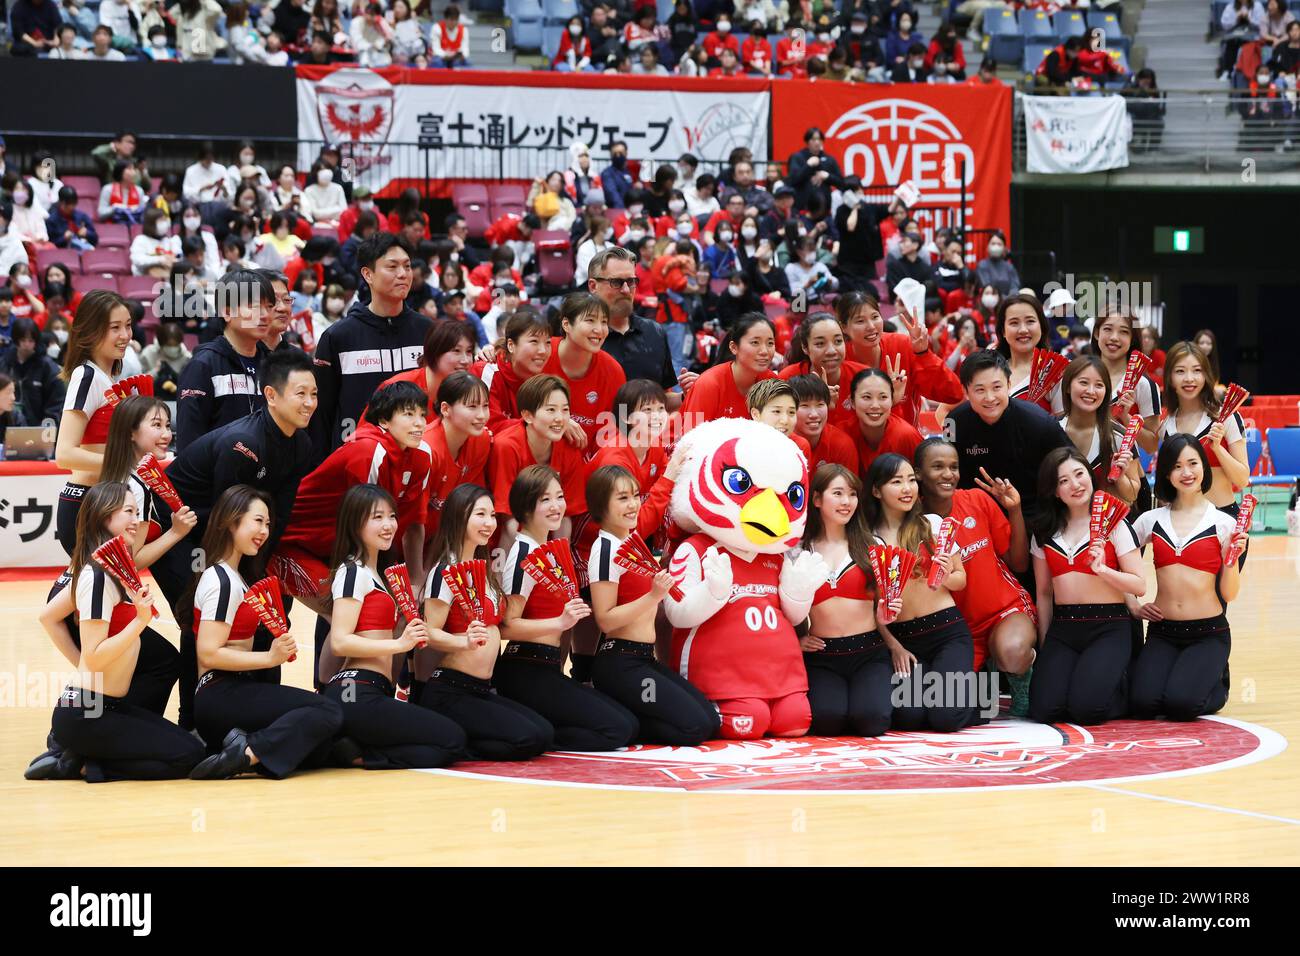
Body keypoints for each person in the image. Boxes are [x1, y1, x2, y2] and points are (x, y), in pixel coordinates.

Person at [159, 350, 319, 727]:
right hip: (182, 529)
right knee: (196, 619)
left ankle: (258, 711)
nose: (310, 403)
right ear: (271, 395)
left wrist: (263, 577)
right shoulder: (243, 444)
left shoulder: (301, 443)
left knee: (269, 606)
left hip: (227, 523)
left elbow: (277, 515)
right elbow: (222, 519)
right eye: (301, 393)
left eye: (314, 393)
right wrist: (246, 576)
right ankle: (193, 722)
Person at [27, 483, 204, 782]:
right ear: (103, 517)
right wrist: (139, 621)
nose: (137, 520)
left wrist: (85, 669)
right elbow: (93, 658)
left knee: (192, 748)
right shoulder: (97, 577)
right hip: (88, 712)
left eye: (137, 511)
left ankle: (78, 755)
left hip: (108, 706)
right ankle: (81, 765)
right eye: (129, 512)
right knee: (187, 757)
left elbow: (49, 616)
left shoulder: (107, 566)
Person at [273, 380, 432, 681]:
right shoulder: (368, 451)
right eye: (408, 414)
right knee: (346, 617)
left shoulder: (422, 455)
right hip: (291, 545)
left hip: (338, 548)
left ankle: (385, 694)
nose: (419, 423)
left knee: (395, 615)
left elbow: (411, 524)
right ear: (384, 420)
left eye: (422, 415)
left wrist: (415, 578)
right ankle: (329, 697)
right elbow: (360, 525)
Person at [187, 486, 344, 779]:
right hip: (220, 694)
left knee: (321, 744)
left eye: (268, 524)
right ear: (231, 521)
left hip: (233, 692)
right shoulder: (221, 580)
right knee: (328, 711)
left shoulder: (236, 577)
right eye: (258, 521)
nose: (264, 531)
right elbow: (208, 653)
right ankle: (246, 754)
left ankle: (246, 750)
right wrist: (270, 658)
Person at [495, 465, 638, 750]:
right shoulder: (523, 553)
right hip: (525, 670)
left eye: (559, 497)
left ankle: (542, 724)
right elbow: (506, 626)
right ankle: (539, 733)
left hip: (547, 668)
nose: (555, 506)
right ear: (525, 506)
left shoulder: (550, 550)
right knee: (616, 729)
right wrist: (559, 623)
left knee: (630, 723)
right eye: (544, 499)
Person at [322, 484, 465, 769]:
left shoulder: (375, 573)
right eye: (377, 517)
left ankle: (354, 748)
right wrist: (399, 644)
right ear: (354, 522)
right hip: (356, 689)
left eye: (391, 516)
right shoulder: (353, 572)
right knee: (451, 740)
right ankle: (351, 755)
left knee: (448, 740)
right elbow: (339, 641)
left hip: (372, 690)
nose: (388, 525)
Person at [585, 465, 720, 745]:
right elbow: (605, 620)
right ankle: (625, 718)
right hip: (621, 663)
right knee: (694, 727)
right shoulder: (606, 549)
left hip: (644, 659)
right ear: (601, 504)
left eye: (635, 495)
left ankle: (627, 714)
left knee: (709, 718)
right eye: (622, 498)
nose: (633, 504)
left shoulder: (633, 542)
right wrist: (653, 596)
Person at [417, 484, 553, 759]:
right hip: (452, 690)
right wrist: (462, 642)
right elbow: (428, 633)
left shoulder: (484, 569)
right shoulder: (445, 570)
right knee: (527, 739)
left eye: (492, 515)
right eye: (480, 514)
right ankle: (454, 741)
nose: (489, 523)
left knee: (545, 732)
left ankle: (459, 736)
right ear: (459, 517)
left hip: (482, 688)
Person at [1129, 435, 1246, 720]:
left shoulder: (1223, 523)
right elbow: (1118, 561)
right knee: (1143, 705)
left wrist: (1231, 560)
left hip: (1208, 634)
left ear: (1204, 468)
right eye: (1177, 465)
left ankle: (1217, 683)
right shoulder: (1149, 520)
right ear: (1167, 472)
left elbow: (1229, 595)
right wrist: (1132, 603)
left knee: (1181, 706)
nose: (1187, 472)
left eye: (1193, 463)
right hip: (1162, 632)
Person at [1028, 447, 1147, 726]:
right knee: (1044, 710)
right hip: (1065, 627)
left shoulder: (1115, 524)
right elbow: (1044, 593)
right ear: (1055, 491)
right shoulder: (1045, 530)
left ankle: (1123, 680)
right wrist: (1045, 643)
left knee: (1086, 710)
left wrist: (1104, 570)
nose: (1075, 484)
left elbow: (1139, 585)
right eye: (1063, 480)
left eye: (1079, 474)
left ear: (1090, 476)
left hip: (1108, 625)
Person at [862, 453, 974, 731]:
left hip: (947, 631)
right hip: (904, 640)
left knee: (944, 718)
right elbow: (870, 605)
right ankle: (948, 695)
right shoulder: (865, 539)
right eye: (897, 481)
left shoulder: (931, 524)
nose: (907, 488)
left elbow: (961, 580)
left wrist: (947, 574)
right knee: (908, 717)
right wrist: (894, 646)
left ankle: (979, 700)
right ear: (876, 490)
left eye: (911, 480)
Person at [310, 233, 432, 463]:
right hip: (356, 460)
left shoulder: (428, 332)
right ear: (368, 274)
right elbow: (322, 413)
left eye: (407, 266)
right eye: (392, 266)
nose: (403, 274)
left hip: (417, 459)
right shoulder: (338, 336)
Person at [798, 464, 896, 736]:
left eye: (852, 494)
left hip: (869, 653)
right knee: (826, 721)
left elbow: (887, 604)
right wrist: (797, 639)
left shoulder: (873, 545)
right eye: (838, 493)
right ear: (817, 499)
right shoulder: (798, 550)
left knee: (871, 721)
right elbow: (784, 604)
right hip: (822, 655)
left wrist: (888, 614)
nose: (846, 502)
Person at [944, 349, 1073, 527]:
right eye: (979, 390)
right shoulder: (953, 421)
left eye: (997, 387)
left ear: (1009, 384)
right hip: (975, 516)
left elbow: (1071, 461)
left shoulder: (1039, 421)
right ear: (966, 391)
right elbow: (945, 465)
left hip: (1034, 513)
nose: (989, 398)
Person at [53, 291, 132, 556]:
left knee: (97, 592)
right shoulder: (86, 376)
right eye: (115, 328)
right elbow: (64, 454)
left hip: (106, 500)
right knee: (95, 590)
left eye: (128, 325)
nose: (125, 335)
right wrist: (123, 463)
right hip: (86, 503)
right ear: (92, 331)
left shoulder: (108, 379)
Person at [487, 375, 589, 551]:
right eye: (551, 410)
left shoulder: (569, 446)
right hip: (501, 536)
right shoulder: (507, 446)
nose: (560, 418)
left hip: (544, 535)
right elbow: (508, 518)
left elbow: (566, 516)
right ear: (527, 415)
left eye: (565, 410)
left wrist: (559, 561)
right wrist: (539, 559)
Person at [174, 270, 273, 451]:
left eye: (269, 306)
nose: (265, 315)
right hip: (218, 476)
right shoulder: (202, 366)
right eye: (255, 306)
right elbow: (189, 445)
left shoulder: (275, 364)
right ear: (227, 312)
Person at [836, 292, 963, 428]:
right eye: (860, 321)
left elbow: (953, 394)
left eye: (875, 317)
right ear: (844, 327)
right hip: (854, 446)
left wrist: (923, 354)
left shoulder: (903, 345)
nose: (871, 326)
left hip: (904, 443)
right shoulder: (837, 359)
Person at [1161, 341, 1250, 526]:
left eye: (1196, 370)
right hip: (1181, 524)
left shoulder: (1226, 417)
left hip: (1223, 520)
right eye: (1180, 371)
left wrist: (1217, 449)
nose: (1189, 378)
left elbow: (1242, 479)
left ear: (1206, 375)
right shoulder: (1166, 425)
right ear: (1169, 377)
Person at [543, 292, 626, 451]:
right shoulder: (541, 353)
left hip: (588, 463)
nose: (599, 329)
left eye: (604, 322)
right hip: (538, 461)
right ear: (566, 325)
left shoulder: (613, 371)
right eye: (590, 320)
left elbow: (618, 430)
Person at [1058, 356, 1145, 505]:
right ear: (1067, 386)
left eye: (1099, 385)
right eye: (1083, 383)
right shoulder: (1051, 428)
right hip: (1060, 523)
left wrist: (1120, 476)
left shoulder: (1120, 436)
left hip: (1105, 524)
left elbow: (1132, 495)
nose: (1091, 391)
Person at [679, 314, 778, 429]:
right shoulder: (708, 384)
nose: (764, 351)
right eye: (755, 342)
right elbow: (690, 439)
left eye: (770, 343)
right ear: (734, 347)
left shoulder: (772, 382)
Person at [1092, 311, 1162, 455]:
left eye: (1124, 332)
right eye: (1107, 329)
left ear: (1133, 339)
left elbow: (1152, 445)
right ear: (1096, 333)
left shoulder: (1144, 384)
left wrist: (1126, 417)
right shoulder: (1081, 378)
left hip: (1126, 472)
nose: (1114, 337)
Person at [475, 307, 552, 430]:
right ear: (511, 345)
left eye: (548, 342)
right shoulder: (487, 370)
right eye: (534, 341)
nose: (543, 351)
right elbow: (489, 428)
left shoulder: (542, 376)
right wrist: (545, 422)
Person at [993, 293, 1063, 415]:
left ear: (1041, 326)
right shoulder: (989, 368)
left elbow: (1062, 427)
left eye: (1030, 321)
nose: (1023, 330)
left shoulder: (1054, 373)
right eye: (1014, 323)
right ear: (1003, 331)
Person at [787, 374, 860, 475]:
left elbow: (849, 488)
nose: (814, 414)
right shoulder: (778, 442)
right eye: (804, 406)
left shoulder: (842, 444)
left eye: (820, 405)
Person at [0, 318, 66, 428]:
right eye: (23, 340)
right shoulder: (4, 363)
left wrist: (44, 431)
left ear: (36, 341)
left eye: (31, 340)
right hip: (7, 427)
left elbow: (56, 405)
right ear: (16, 340)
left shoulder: (48, 367)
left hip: (39, 428)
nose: (26, 344)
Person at [129, 207, 182, 279]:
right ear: (151, 223)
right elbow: (137, 260)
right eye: (161, 220)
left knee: (180, 274)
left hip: (169, 277)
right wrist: (160, 259)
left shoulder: (170, 240)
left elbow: (178, 258)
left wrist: (173, 260)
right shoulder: (141, 239)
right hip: (145, 279)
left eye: (165, 220)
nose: (165, 223)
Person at [46, 187, 99, 251]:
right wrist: (63, 238)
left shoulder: (82, 216)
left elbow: (95, 238)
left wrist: (87, 233)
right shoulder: (51, 221)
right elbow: (50, 245)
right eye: (68, 204)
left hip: (85, 251)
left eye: (74, 204)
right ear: (61, 203)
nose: (71, 207)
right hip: (63, 253)